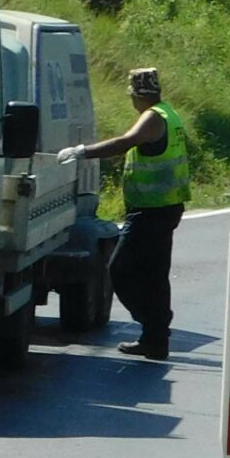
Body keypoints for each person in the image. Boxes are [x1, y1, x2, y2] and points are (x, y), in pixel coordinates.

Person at [60, 66, 189, 360]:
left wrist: (82, 152)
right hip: (165, 207)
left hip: (151, 211)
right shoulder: (169, 112)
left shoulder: (153, 117)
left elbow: (125, 142)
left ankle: (154, 327)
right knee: (155, 276)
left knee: (120, 270)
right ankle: (155, 340)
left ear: (136, 94)